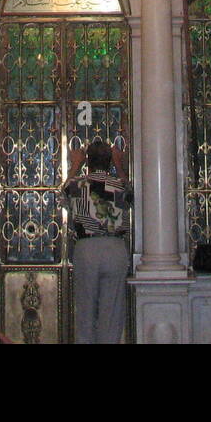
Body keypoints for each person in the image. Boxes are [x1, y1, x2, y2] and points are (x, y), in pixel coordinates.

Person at [62, 138, 133, 344]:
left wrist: (75, 164)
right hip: (114, 247)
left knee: (85, 309)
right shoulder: (119, 185)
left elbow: (63, 194)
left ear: (88, 162)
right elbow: (132, 196)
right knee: (112, 312)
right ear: (109, 161)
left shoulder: (77, 185)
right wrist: (119, 164)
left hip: (87, 248)